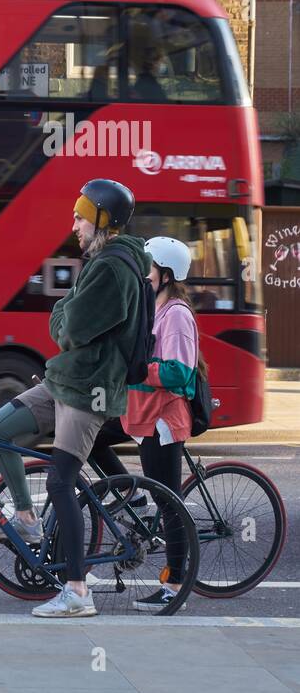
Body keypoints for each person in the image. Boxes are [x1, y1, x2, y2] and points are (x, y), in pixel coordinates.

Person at [0, 179, 150, 618]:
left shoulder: (113, 269)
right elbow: (66, 317)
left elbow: (68, 326)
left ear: (101, 219)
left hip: (88, 389)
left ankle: (77, 592)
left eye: (80, 215)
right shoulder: (98, 260)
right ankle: (26, 518)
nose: (73, 223)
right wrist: (65, 315)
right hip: (64, 380)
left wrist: (63, 317)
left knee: (60, 481)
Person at [120, 236, 200, 611]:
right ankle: (130, 496)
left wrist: (141, 369)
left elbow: (179, 371)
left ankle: (175, 586)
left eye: (148, 267)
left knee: (169, 503)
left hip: (164, 421)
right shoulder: (155, 309)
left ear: (165, 275)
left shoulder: (177, 315)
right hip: (143, 415)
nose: (143, 273)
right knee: (95, 441)